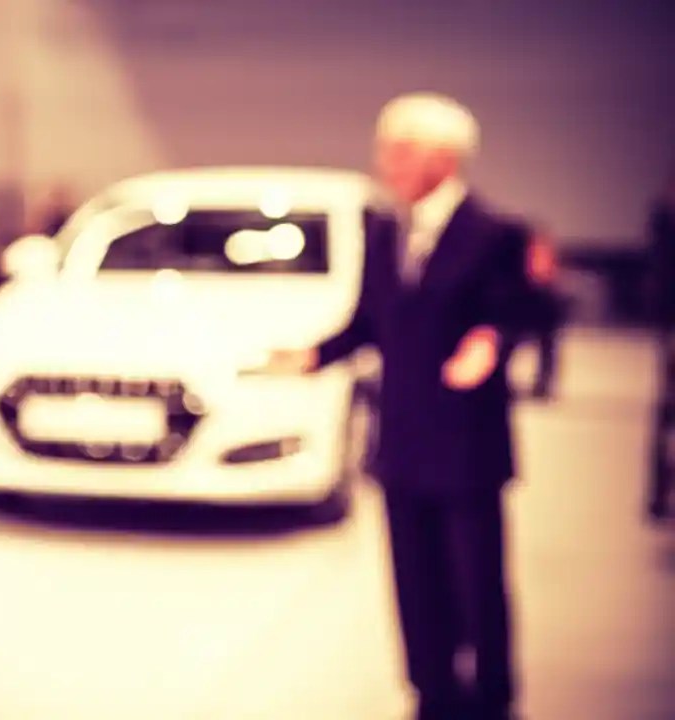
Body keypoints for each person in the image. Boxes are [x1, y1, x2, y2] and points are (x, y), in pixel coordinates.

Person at [270, 93, 531, 720]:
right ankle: (430, 690)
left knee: (476, 581)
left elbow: (513, 311)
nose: (386, 163)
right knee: (414, 580)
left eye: (401, 151)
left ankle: (490, 695)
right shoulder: (386, 231)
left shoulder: (493, 233)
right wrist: (313, 354)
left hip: (465, 446)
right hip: (403, 441)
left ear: (445, 157)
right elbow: (371, 321)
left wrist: (488, 342)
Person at [648, 168, 675, 520]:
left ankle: (658, 494)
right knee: (667, 412)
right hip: (671, 326)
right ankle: (658, 494)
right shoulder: (664, 223)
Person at [522, 226, 566, 400]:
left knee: (547, 347)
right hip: (533, 300)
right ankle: (541, 384)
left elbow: (549, 278)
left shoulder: (543, 257)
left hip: (544, 303)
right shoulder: (529, 256)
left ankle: (543, 385)